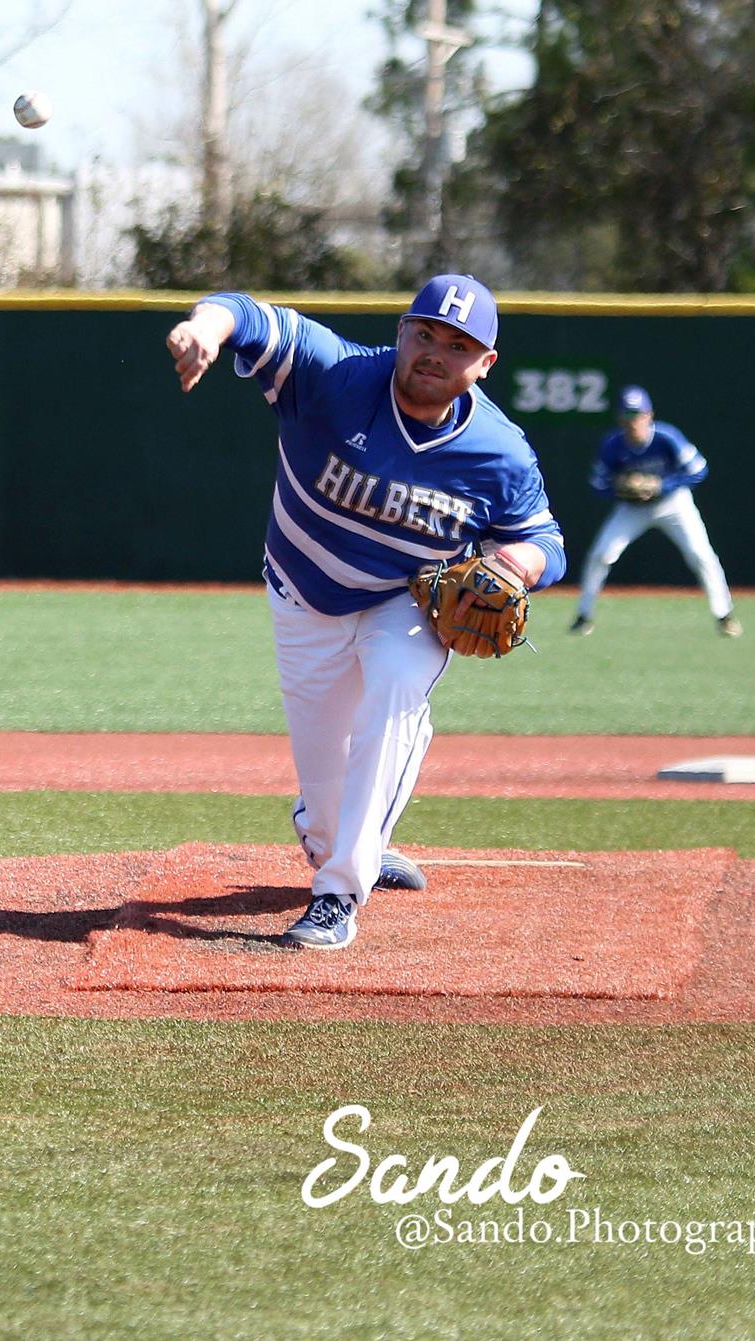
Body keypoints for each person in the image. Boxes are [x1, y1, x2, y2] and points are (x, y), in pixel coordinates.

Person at [164, 275, 567, 950]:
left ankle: (340, 893)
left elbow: (544, 541)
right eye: (426, 332)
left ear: (485, 364)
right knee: (324, 809)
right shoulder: (335, 373)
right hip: (304, 597)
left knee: (397, 689)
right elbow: (247, 313)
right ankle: (344, 840)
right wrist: (204, 330)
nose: (436, 351)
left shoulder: (500, 453)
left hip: (403, 603)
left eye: (459, 344)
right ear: (403, 329)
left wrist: (516, 564)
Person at [568, 384, 739, 637]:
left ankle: (724, 615)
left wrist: (662, 486)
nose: (632, 421)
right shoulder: (612, 445)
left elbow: (699, 469)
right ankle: (583, 616)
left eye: (637, 414)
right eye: (627, 415)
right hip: (632, 508)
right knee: (601, 554)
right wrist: (621, 489)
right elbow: (597, 484)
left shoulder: (666, 437)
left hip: (673, 504)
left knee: (701, 555)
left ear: (649, 415)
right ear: (619, 418)